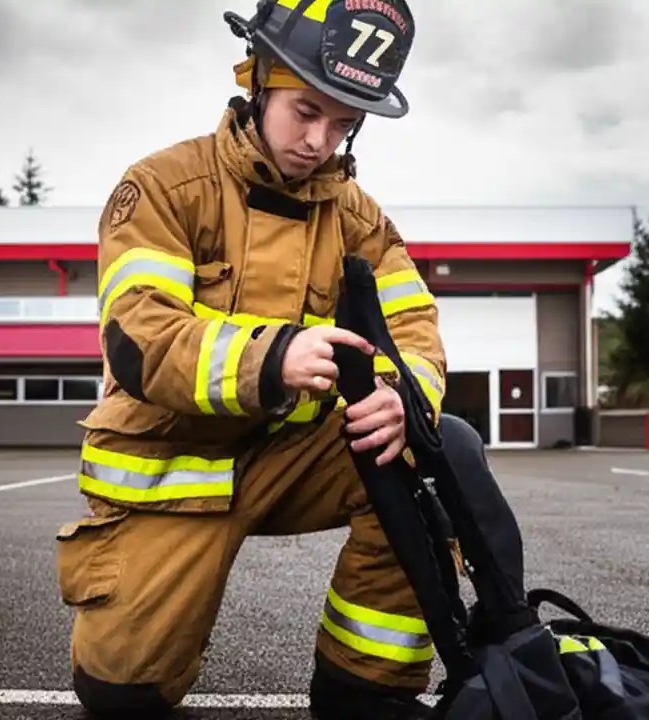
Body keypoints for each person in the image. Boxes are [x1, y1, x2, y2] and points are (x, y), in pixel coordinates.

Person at [54, 1, 483, 717]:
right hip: (172, 468)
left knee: (436, 452)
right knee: (123, 695)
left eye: (344, 123)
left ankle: (363, 690)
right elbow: (139, 338)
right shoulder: (165, 187)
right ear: (257, 81)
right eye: (305, 110)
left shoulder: (361, 219)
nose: (320, 141)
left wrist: (398, 396)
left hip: (293, 458)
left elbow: (415, 331)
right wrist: (273, 355)